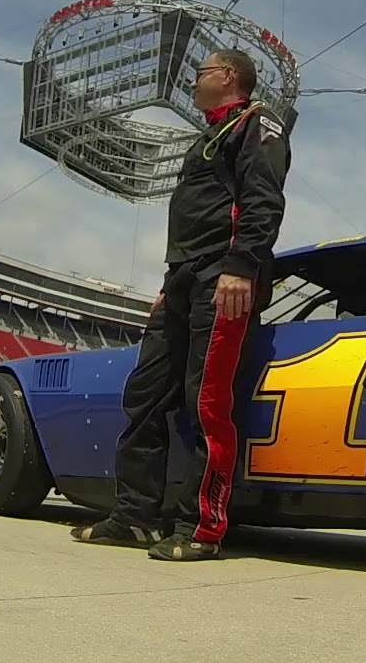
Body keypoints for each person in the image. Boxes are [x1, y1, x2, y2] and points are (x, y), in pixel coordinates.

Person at [71, 48, 292, 562]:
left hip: (224, 277)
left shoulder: (260, 124)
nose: (193, 83)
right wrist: (172, 284)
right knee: (145, 392)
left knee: (205, 402)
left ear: (229, 76)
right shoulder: (206, 137)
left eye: (201, 74)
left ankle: (201, 527)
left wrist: (241, 266)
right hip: (184, 278)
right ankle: (134, 518)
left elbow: (264, 200)